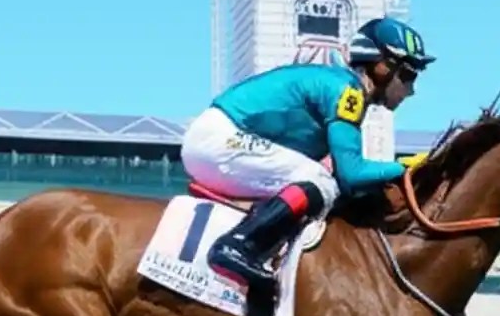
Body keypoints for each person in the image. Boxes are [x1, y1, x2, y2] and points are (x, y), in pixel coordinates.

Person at [179, 16, 436, 286]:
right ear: (382, 67)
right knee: (319, 181)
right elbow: (352, 174)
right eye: (408, 75)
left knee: (325, 186)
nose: (411, 90)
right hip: (219, 139)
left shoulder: (342, 87)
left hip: (217, 140)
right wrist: (406, 167)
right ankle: (240, 246)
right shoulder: (348, 92)